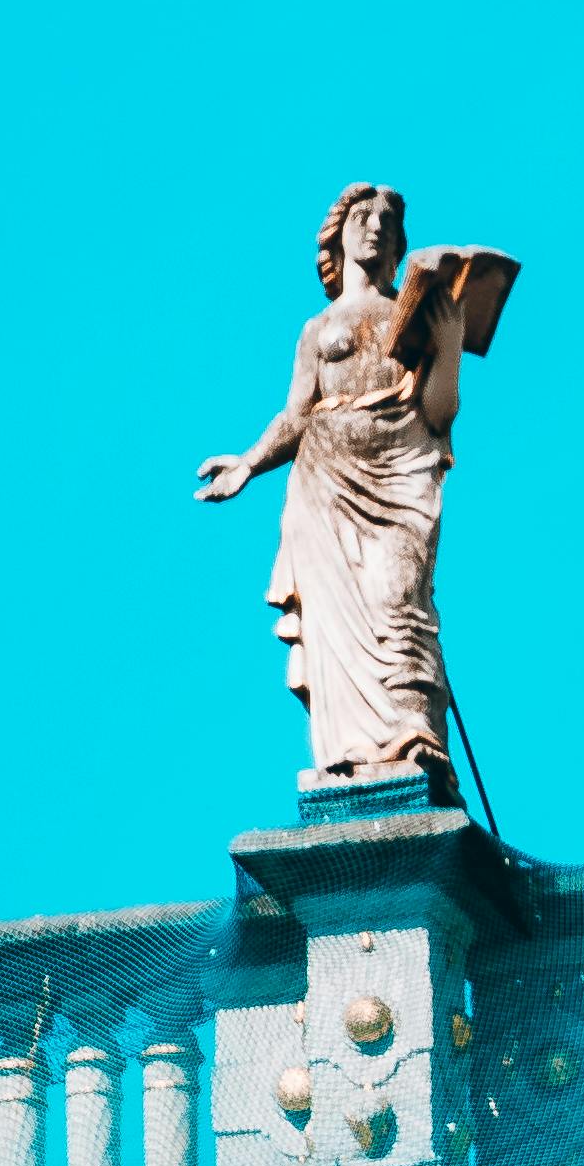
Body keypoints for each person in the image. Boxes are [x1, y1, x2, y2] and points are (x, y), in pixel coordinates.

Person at [194, 184, 511, 791]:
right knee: (337, 616)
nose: (376, 229)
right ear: (337, 236)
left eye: (389, 222)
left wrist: (447, 347)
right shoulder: (319, 328)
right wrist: (247, 464)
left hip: (399, 468)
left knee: (400, 599)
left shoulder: (411, 315)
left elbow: (438, 413)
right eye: (364, 218)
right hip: (324, 479)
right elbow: (296, 414)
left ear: (399, 246)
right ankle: (352, 753)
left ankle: (415, 734)